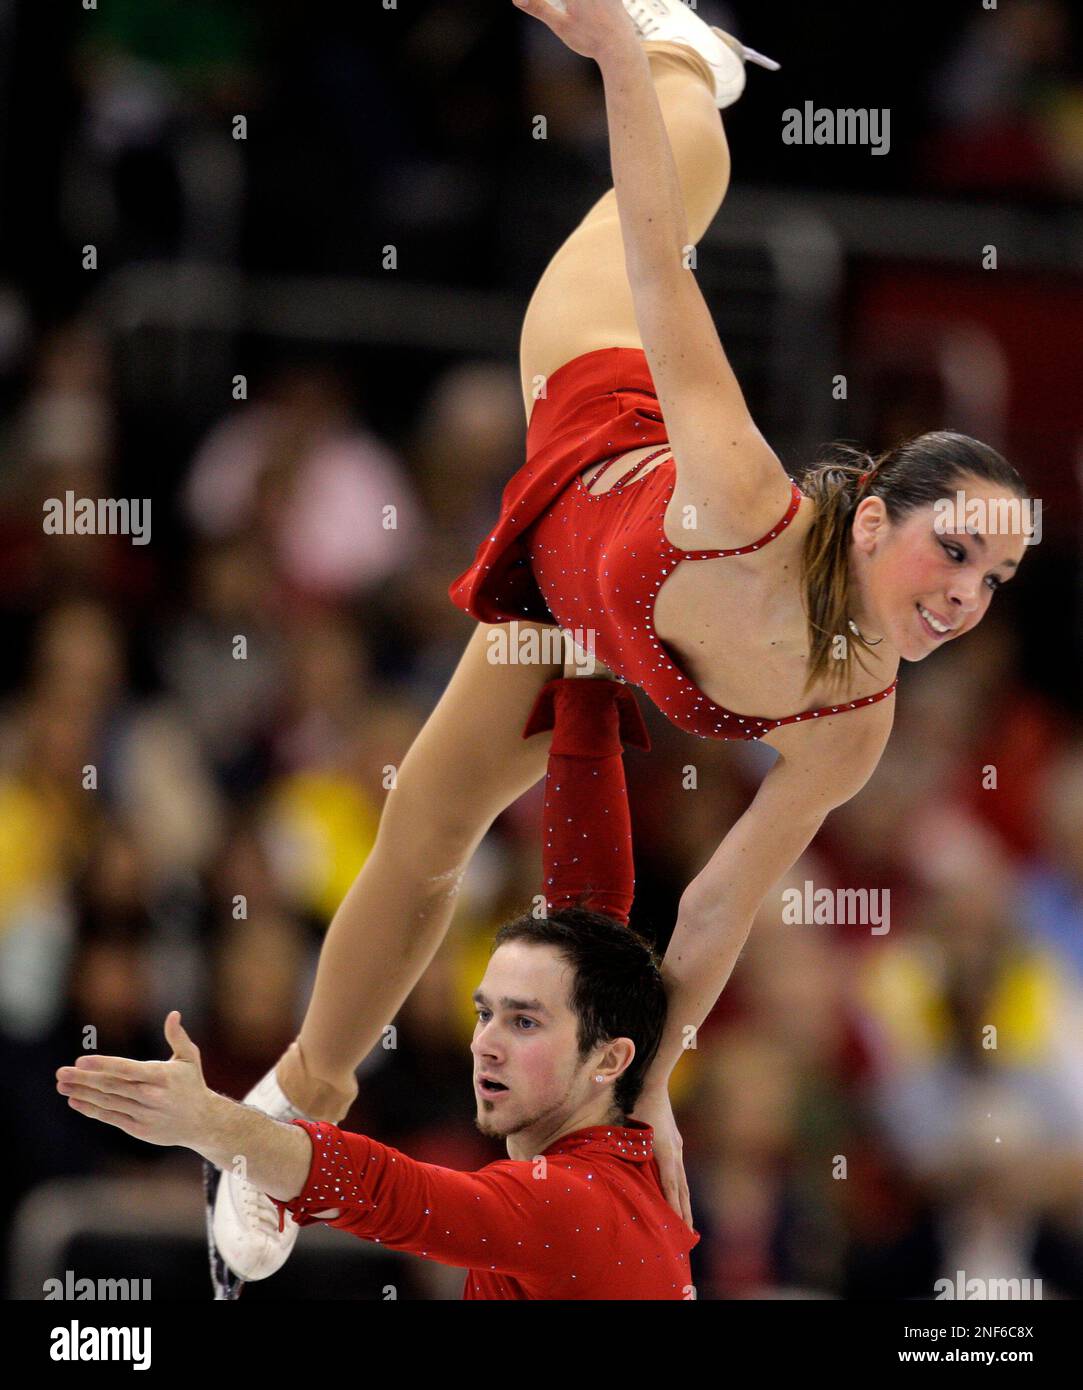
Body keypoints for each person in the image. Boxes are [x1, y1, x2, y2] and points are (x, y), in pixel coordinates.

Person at [214, 0, 1032, 1279]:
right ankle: (295, 1106)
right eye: (956, 555)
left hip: (583, 616)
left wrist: (648, 1079)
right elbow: (659, 271)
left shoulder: (856, 718)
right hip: (589, 399)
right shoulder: (744, 502)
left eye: (997, 579)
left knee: (430, 823)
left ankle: (684, 59)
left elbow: (712, 909)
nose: (968, 599)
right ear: (873, 522)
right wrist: (602, 62)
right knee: (423, 831)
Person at [58, 678, 704, 1299]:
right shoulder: (634, 1167)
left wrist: (213, 1123)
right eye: (485, 1015)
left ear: (610, 1058)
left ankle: (305, 1083)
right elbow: (600, 904)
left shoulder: (569, 1202)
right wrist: (586, 701)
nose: (486, 1046)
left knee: (428, 821)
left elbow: (393, 1194)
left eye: (524, 1022)